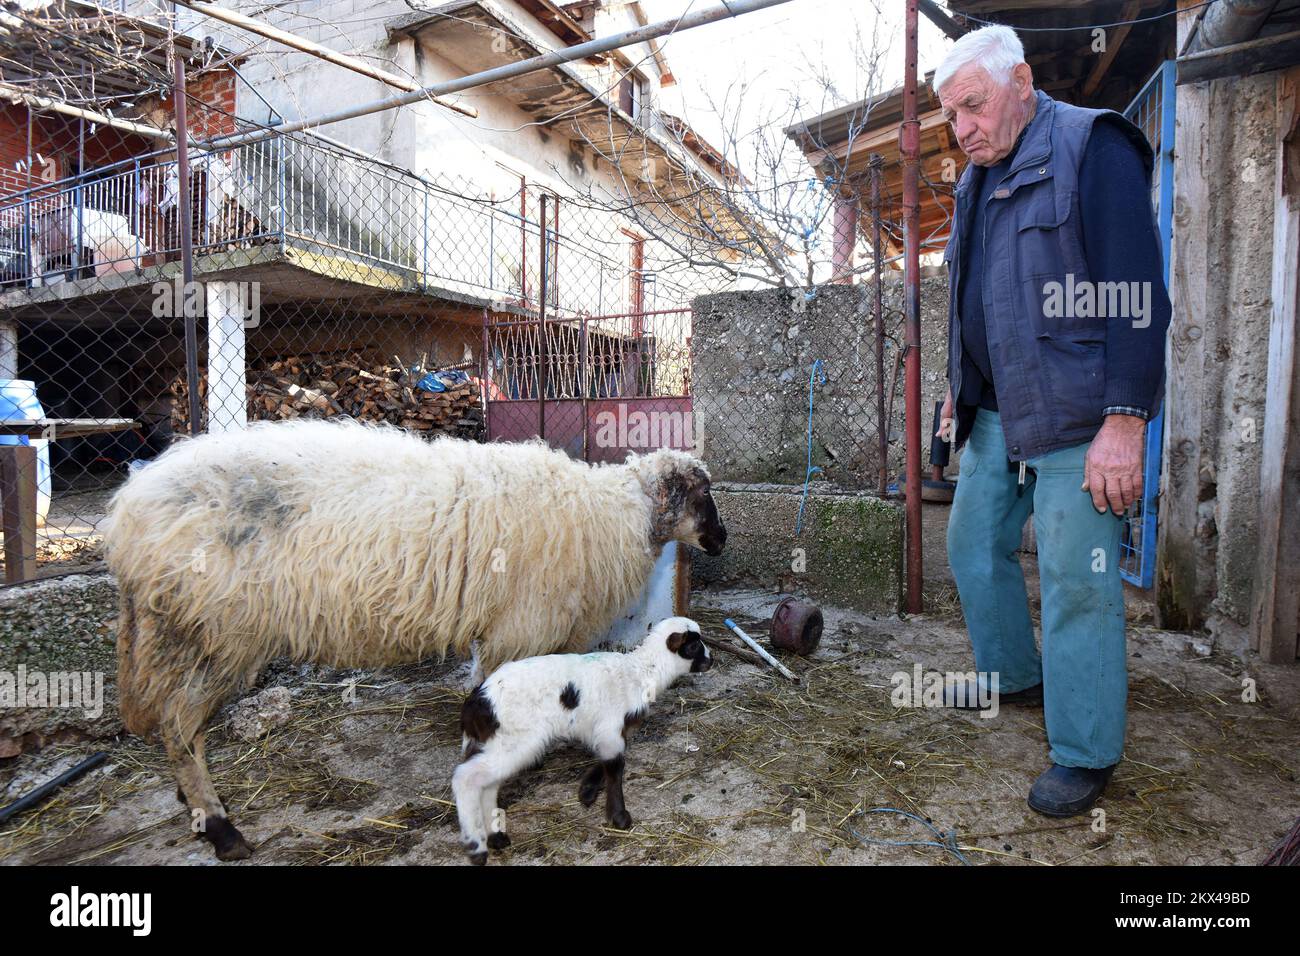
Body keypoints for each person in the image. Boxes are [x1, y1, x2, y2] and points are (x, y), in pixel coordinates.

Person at [933, 25, 1172, 816]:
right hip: (997, 411)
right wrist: (957, 388)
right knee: (972, 544)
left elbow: (1138, 298)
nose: (962, 127)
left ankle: (1085, 749)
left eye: (973, 105)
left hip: (1080, 415)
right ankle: (1014, 675)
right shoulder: (975, 180)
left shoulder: (1090, 147)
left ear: (1022, 81)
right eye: (951, 115)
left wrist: (1126, 419)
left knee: (1079, 582)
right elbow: (975, 301)